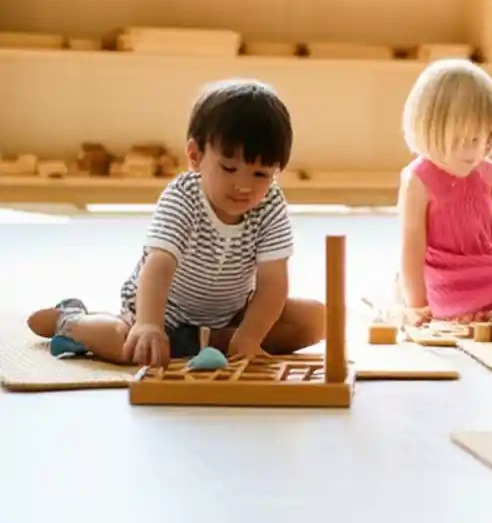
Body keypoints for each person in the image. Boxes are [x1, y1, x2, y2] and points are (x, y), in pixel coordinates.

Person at [27, 79, 325, 366]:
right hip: (161, 311)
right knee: (126, 344)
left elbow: (273, 284)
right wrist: (148, 325)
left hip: (230, 313)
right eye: (229, 167)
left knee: (317, 319)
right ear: (195, 157)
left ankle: (208, 340)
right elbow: (159, 265)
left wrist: (249, 336)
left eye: (260, 174)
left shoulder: (270, 202)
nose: (244, 186)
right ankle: (70, 320)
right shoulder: (184, 196)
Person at [397, 60, 492, 325]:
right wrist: (417, 304)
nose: (471, 152)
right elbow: (411, 247)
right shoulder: (418, 180)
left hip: (483, 264)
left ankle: (486, 314)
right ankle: (475, 313)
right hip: (443, 274)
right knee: (437, 304)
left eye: (478, 140)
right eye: (459, 141)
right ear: (430, 132)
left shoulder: (488, 172)